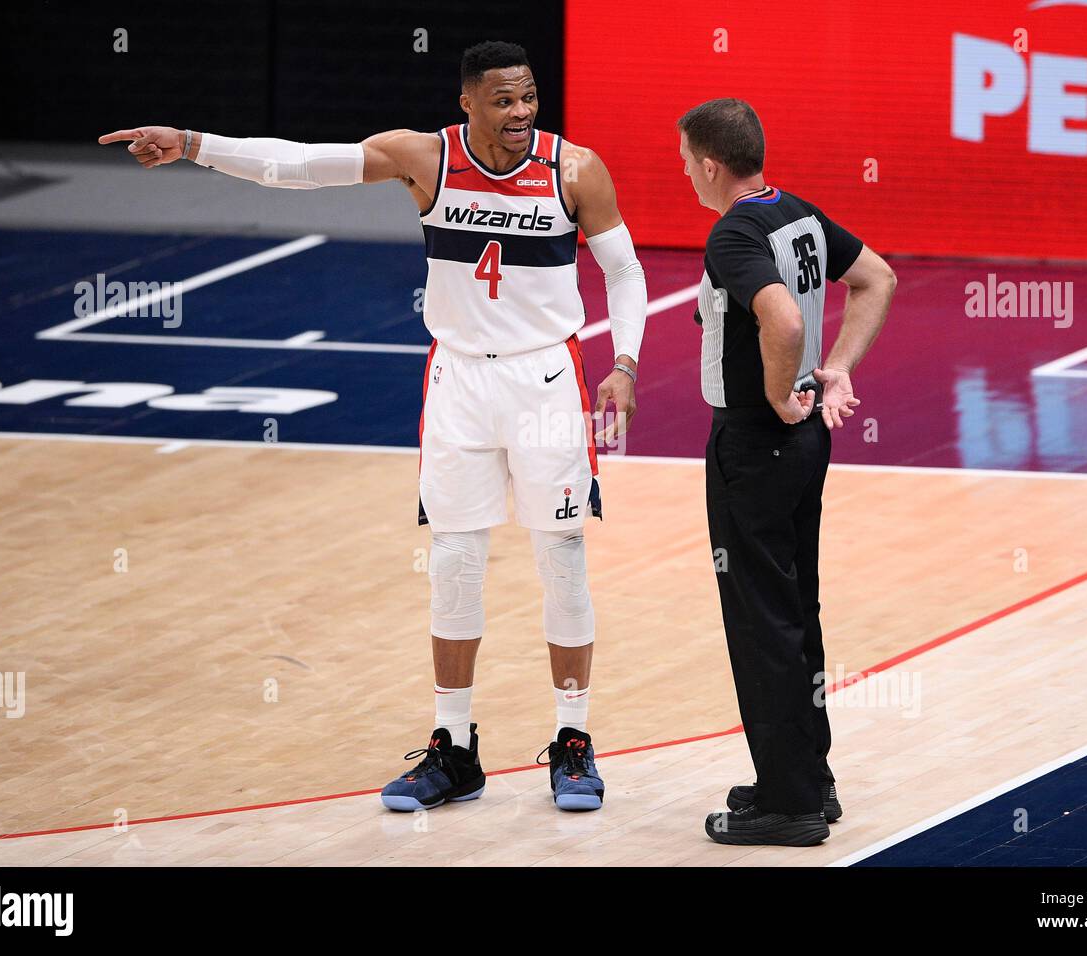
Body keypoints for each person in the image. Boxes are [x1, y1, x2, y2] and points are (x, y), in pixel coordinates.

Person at [98, 40, 648, 813]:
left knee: (560, 560)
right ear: (468, 103)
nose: (520, 113)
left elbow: (624, 271)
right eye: (503, 100)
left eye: (528, 98)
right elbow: (293, 166)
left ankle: (573, 740)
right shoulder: (423, 159)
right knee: (455, 562)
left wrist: (624, 361)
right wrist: (193, 145)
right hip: (458, 377)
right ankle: (453, 749)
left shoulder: (575, 170)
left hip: (544, 381)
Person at [676, 98, 896, 846]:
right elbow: (877, 279)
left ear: (711, 164)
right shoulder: (795, 210)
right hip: (803, 445)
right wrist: (833, 373)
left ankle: (790, 805)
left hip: (757, 442)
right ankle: (808, 776)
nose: (684, 174)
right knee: (798, 609)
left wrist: (777, 390)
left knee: (761, 620)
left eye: (685, 162)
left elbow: (787, 319)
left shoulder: (733, 231)